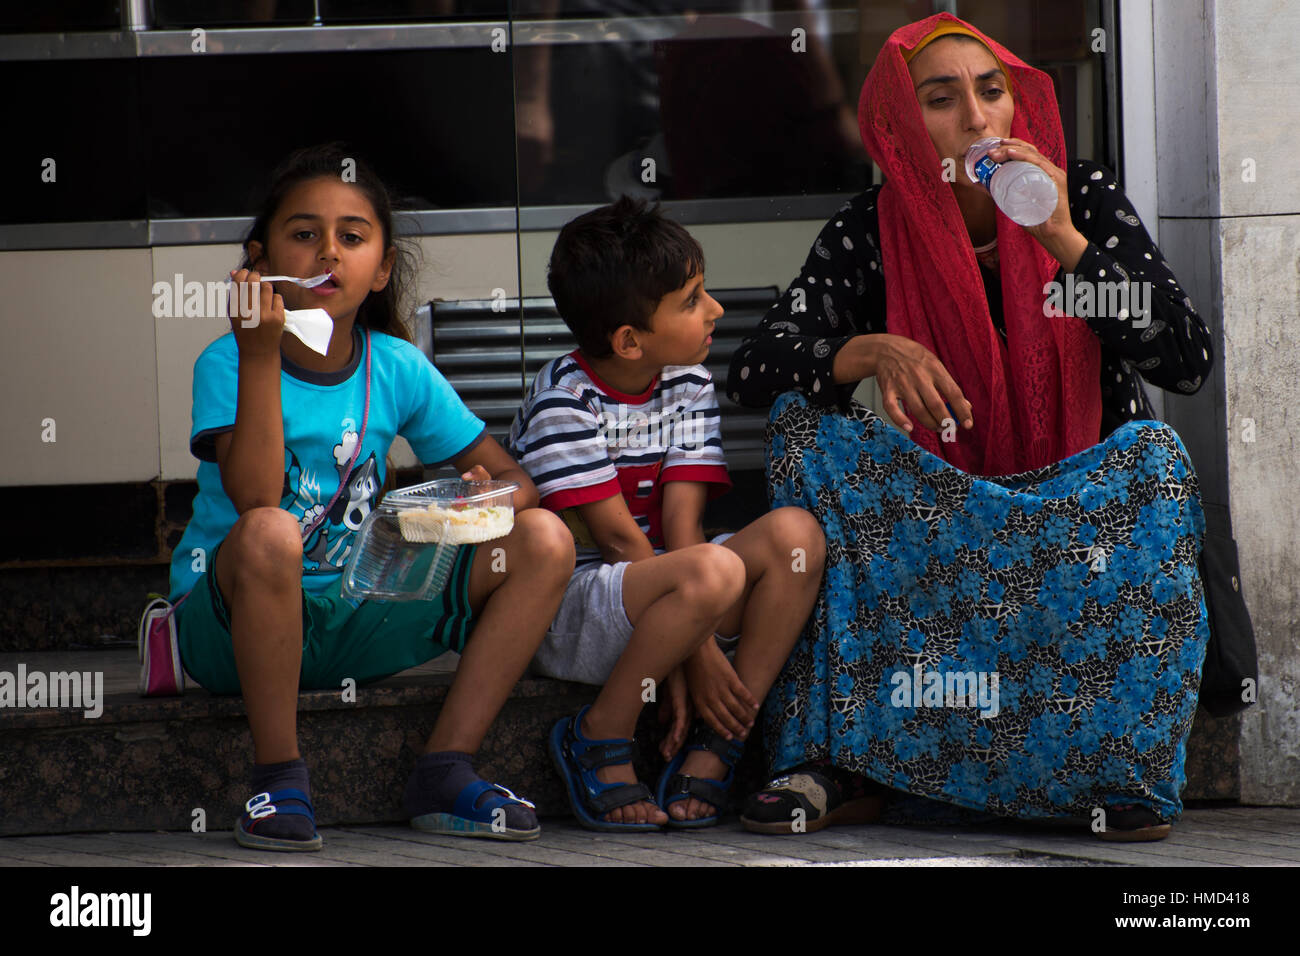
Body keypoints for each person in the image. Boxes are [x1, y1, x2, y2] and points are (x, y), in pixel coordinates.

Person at [726, 14, 1213, 840]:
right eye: (942, 101)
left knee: (1156, 458)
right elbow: (756, 367)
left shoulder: (1080, 198)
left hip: (1068, 528)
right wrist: (869, 349)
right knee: (806, 432)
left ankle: (1115, 770)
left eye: (993, 92)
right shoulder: (873, 230)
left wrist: (1060, 238)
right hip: (938, 528)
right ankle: (827, 758)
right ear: (900, 126)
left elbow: (1184, 358)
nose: (979, 119)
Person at [168, 144, 575, 852]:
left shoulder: (397, 365)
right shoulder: (227, 360)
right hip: (233, 626)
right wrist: (260, 353)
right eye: (304, 233)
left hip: (359, 601)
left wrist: (475, 502)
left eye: (352, 237)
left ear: (382, 267)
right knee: (270, 532)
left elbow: (518, 483)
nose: (329, 250)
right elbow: (257, 497)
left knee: (544, 539)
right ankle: (278, 778)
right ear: (259, 261)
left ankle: (446, 769)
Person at [507, 197, 825, 830]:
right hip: (578, 609)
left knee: (798, 534)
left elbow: (683, 528)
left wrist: (690, 637)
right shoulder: (563, 401)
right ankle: (600, 732)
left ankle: (722, 738)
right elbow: (622, 544)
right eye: (691, 300)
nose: (715, 309)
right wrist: (699, 654)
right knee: (708, 574)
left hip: (677, 589)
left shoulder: (688, 383)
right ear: (629, 341)